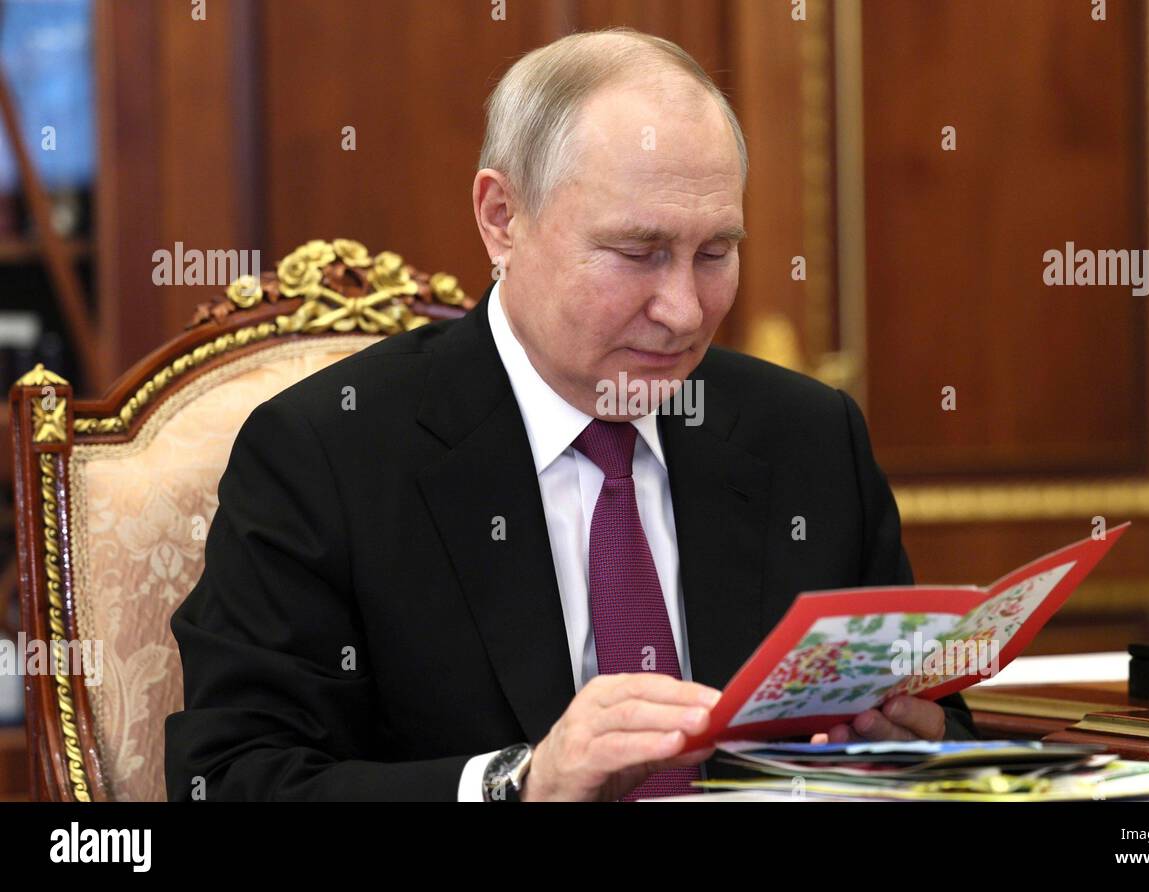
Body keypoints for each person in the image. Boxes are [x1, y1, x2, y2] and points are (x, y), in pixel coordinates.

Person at [165, 27, 974, 803]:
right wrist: (516, 786)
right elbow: (233, 776)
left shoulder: (810, 437)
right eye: (638, 253)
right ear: (501, 218)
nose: (685, 311)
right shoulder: (325, 455)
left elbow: (934, 724)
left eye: (715, 252)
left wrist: (916, 739)